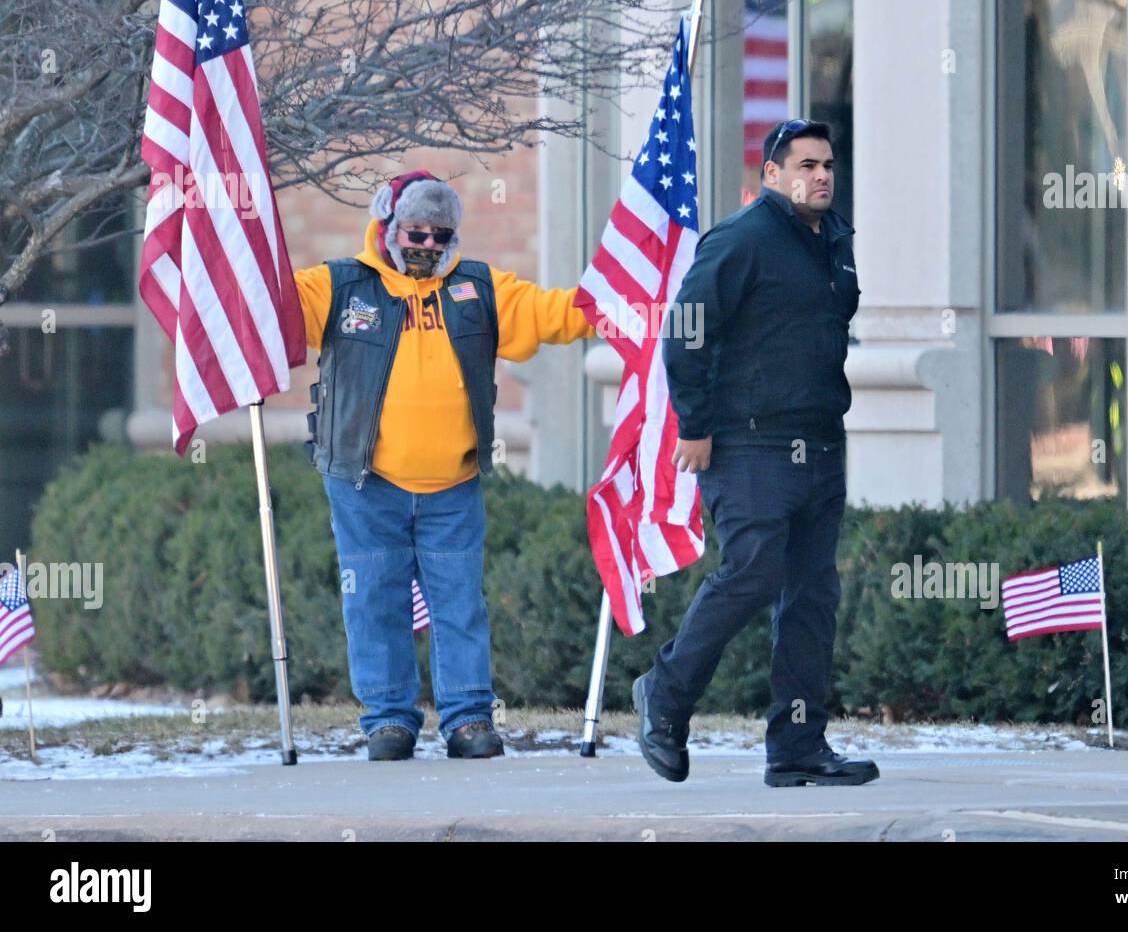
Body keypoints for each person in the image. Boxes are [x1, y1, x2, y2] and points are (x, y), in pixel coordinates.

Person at [295, 170, 593, 761]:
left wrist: (619, 304)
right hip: (364, 480)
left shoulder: (478, 286)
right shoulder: (339, 285)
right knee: (372, 600)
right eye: (416, 233)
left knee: (460, 604)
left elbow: (554, 312)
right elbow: (272, 307)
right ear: (387, 226)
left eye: (439, 236)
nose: (427, 246)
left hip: (452, 484)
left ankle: (468, 720)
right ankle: (387, 721)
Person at [632, 120, 879, 788]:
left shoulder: (834, 240)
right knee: (752, 572)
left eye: (828, 163)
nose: (821, 175)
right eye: (805, 164)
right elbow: (686, 333)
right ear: (772, 174)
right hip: (747, 444)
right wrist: (695, 425)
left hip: (821, 443)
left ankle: (798, 747)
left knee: (811, 594)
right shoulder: (742, 239)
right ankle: (665, 692)